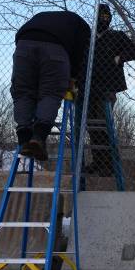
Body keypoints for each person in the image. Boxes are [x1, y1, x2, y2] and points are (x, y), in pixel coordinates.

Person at [12, 10, 91, 161]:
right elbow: (80, 56)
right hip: (55, 49)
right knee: (51, 93)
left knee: (23, 92)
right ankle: (38, 138)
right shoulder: (84, 30)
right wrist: (73, 78)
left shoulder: (44, 17)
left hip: (23, 45)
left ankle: (24, 139)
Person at [83, 4, 135, 175]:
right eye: (101, 17)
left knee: (103, 123)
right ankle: (98, 162)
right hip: (89, 88)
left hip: (108, 87)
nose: (104, 20)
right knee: (91, 126)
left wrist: (119, 57)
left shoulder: (116, 36)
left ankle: (108, 164)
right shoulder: (89, 38)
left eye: (107, 17)